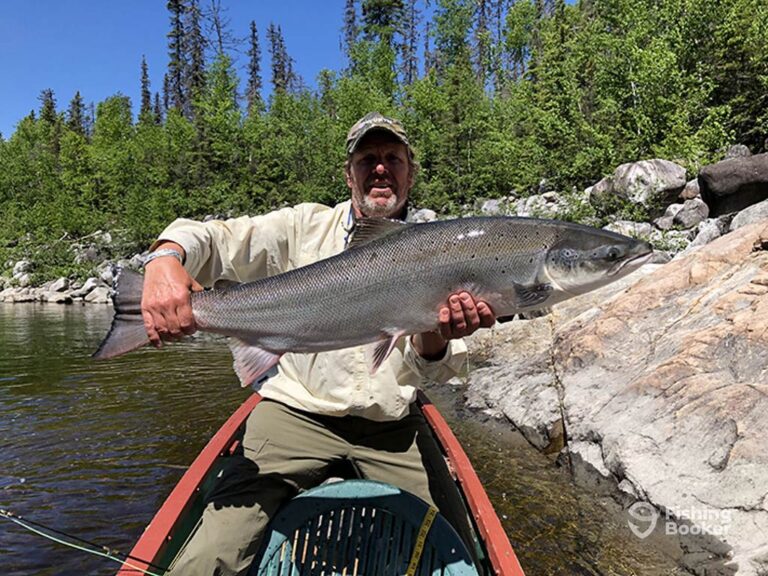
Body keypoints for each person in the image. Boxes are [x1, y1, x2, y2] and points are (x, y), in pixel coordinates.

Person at [141, 112, 497, 576]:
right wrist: (166, 259)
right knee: (211, 555)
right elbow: (213, 238)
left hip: (389, 428)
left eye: (393, 158)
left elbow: (433, 370)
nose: (381, 169)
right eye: (367, 159)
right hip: (294, 414)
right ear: (349, 175)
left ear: (410, 172)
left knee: (442, 558)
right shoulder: (301, 227)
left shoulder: (445, 247)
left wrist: (436, 333)